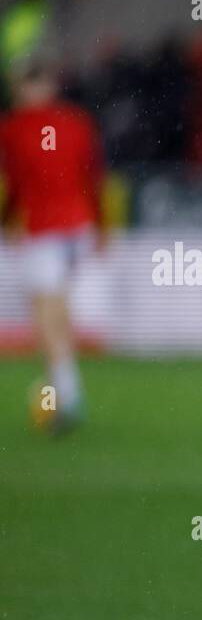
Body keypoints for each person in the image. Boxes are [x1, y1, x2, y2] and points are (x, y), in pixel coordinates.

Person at [0, 56, 105, 434]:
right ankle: (62, 390)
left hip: (46, 230)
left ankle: (65, 395)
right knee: (55, 311)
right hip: (77, 228)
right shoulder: (76, 123)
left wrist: (8, 221)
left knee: (46, 314)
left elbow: (15, 184)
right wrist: (100, 227)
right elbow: (93, 176)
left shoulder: (14, 129)